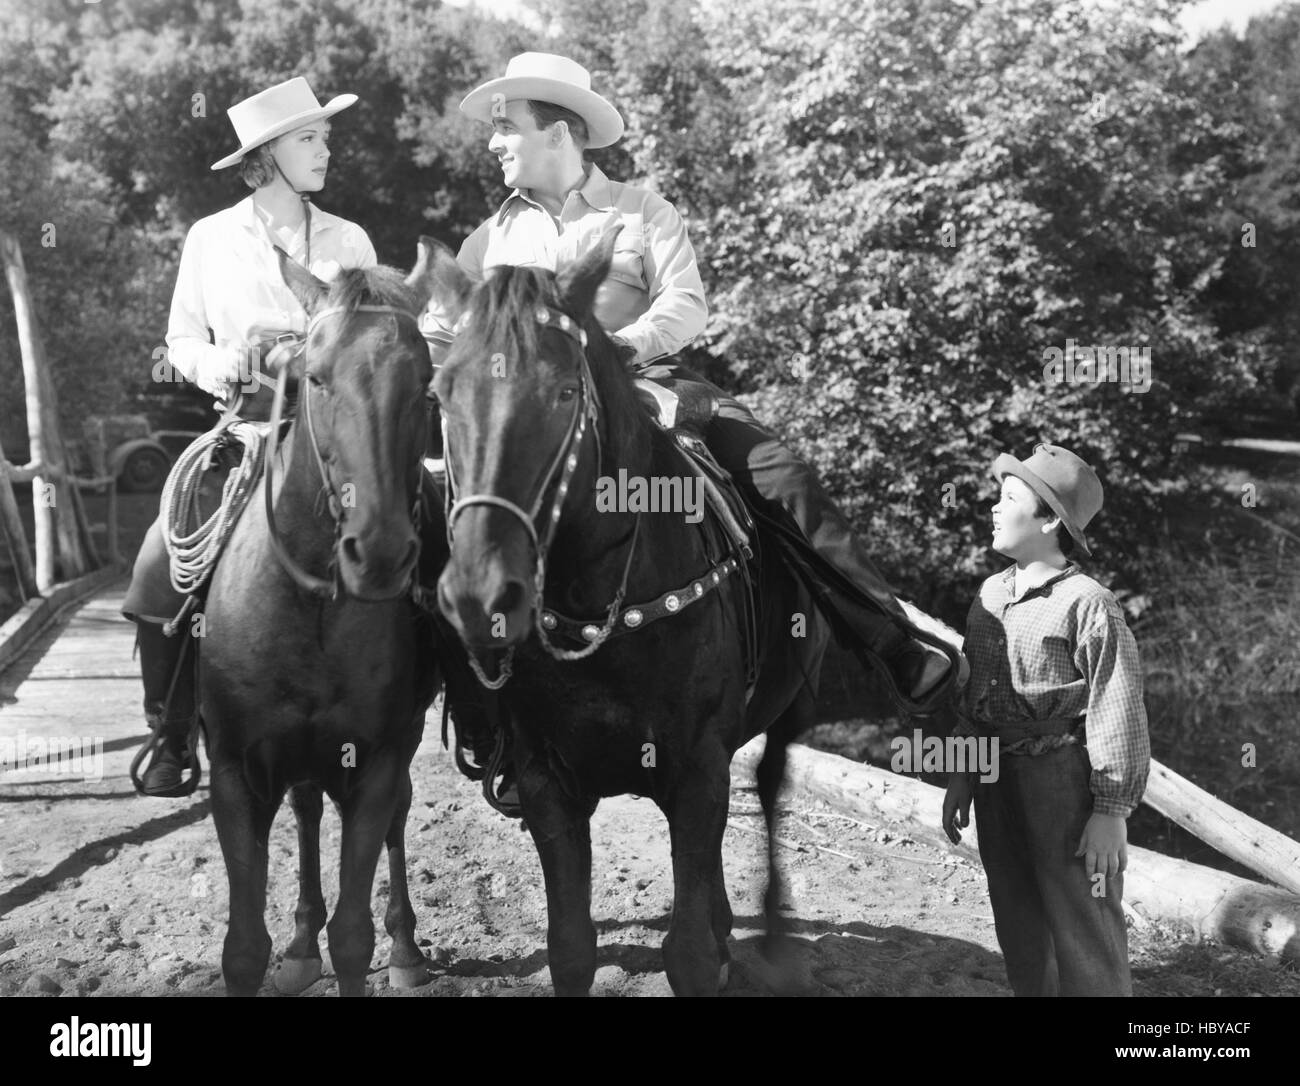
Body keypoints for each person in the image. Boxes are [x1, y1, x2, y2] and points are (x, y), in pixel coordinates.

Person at [422, 53, 965, 715]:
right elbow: (441, 334)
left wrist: (621, 348)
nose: (493, 141)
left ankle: (890, 639)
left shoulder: (642, 212)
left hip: (650, 385)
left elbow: (686, 304)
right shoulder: (485, 242)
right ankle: (485, 719)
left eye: (508, 127)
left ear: (557, 135)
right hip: (527, 417)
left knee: (783, 476)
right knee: (436, 509)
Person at [124, 77, 377, 797]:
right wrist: (217, 360)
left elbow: (372, 336)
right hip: (243, 434)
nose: (325, 149)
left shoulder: (349, 239)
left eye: (324, 136)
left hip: (335, 444)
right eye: (309, 138)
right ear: (266, 156)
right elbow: (179, 339)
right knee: (155, 570)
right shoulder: (209, 238)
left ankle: (473, 718)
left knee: (422, 533)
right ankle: (171, 734)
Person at [942, 444, 1151, 996]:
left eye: (1008, 498)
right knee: (1017, 916)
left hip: (1061, 781)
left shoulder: (1089, 604)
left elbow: (1118, 707)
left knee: (1084, 919)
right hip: (994, 780)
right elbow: (973, 698)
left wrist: (1111, 811)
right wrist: (963, 772)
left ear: (1049, 520)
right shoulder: (991, 594)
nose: (992, 507)